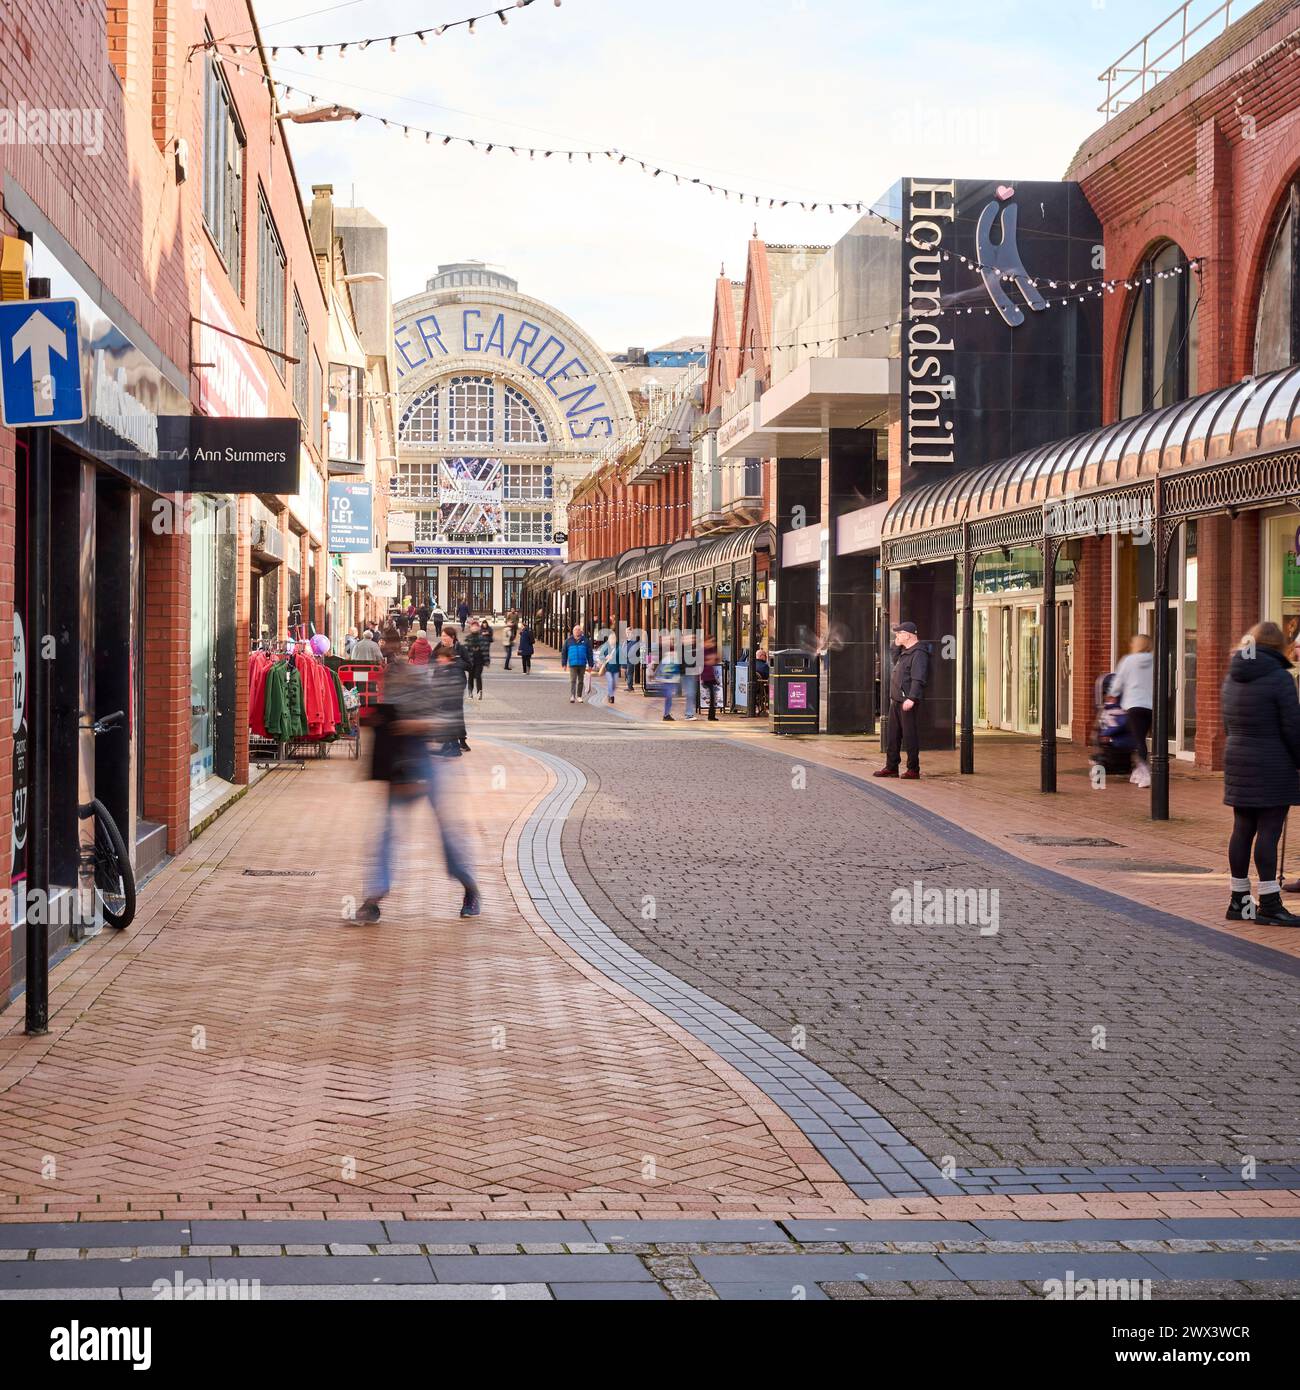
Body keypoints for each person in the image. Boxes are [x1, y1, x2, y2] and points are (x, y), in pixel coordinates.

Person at [354, 630, 480, 924]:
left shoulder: (419, 679)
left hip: (423, 762)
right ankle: (374, 898)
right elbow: (387, 725)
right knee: (386, 832)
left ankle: (469, 886)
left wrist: (413, 725)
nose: (389, 654)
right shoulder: (390, 679)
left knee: (446, 833)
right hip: (398, 764)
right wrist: (373, 721)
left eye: (395, 647)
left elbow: (442, 721)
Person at [1222, 621, 1300, 927]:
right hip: (1272, 763)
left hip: (1238, 759)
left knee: (1242, 828)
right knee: (1269, 831)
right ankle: (1269, 904)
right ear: (1278, 645)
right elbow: (1292, 728)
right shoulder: (1280, 678)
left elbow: (1227, 724)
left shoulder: (1232, 675)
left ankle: (1239, 900)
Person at [874, 621, 929, 780]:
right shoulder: (906, 651)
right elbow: (894, 656)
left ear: (909, 634)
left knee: (909, 735)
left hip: (907, 701)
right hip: (897, 700)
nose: (897, 636)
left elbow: (918, 678)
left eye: (899, 633)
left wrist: (911, 698)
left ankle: (913, 769)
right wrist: (896, 644)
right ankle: (891, 767)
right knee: (893, 735)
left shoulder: (919, 653)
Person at [1113, 633, 1154, 789]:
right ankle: (1138, 771)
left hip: (1134, 705)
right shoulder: (1155, 660)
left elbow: (1119, 681)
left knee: (1138, 740)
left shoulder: (1128, 660)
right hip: (1151, 706)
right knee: (1142, 737)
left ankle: (1145, 773)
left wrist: (1113, 694)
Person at [438, 625, 472, 752]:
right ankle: (448, 741)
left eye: (445, 636)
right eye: (442, 636)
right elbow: (431, 661)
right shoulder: (439, 647)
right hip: (442, 684)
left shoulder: (460, 648)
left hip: (457, 685)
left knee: (457, 712)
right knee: (445, 712)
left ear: (452, 637)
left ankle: (461, 741)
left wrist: (456, 662)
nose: (443, 638)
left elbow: (469, 665)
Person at [562, 624, 594, 703]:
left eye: (578, 630)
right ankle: (572, 696)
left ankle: (579, 696)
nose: (577, 631)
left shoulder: (586, 641)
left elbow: (590, 653)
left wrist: (591, 664)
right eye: (575, 630)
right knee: (573, 680)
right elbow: (564, 652)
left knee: (581, 681)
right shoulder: (568, 641)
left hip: (582, 664)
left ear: (581, 631)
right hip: (572, 664)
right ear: (573, 631)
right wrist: (564, 664)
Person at [657, 637, 683, 721]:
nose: (671, 642)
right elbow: (661, 665)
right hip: (666, 678)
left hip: (671, 678)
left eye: (671, 641)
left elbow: (676, 664)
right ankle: (666, 714)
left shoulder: (674, 651)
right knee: (668, 696)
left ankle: (667, 714)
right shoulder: (662, 651)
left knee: (669, 697)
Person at [465, 618, 491, 699]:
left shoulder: (482, 638)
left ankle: (480, 691)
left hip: (479, 660)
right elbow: (465, 651)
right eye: (473, 626)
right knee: (471, 676)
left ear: (479, 628)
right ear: (470, 628)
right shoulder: (468, 638)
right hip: (471, 660)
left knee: (478, 675)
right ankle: (470, 692)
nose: (474, 628)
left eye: (476, 626)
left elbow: (486, 649)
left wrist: (487, 661)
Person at [595, 630, 621, 705]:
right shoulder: (605, 647)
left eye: (614, 638)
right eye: (611, 638)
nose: (613, 640)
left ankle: (610, 693)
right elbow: (600, 656)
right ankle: (611, 696)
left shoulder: (618, 647)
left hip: (616, 669)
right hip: (608, 668)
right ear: (609, 640)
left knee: (615, 684)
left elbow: (622, 657)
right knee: (610, 681)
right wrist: (606, 657)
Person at [700, 636, 721, 722]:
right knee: (712, 696)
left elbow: (715, 660)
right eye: (710, 641)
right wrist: (710, 660)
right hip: (706, 677)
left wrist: (711, 659)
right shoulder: (703, 651)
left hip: (711, 676)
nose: (712, 643)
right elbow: (706, 662)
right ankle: (711, 716)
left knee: (713, 697)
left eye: (713, 642)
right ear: (706, 642)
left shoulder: (711, 650)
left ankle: (712, 715)